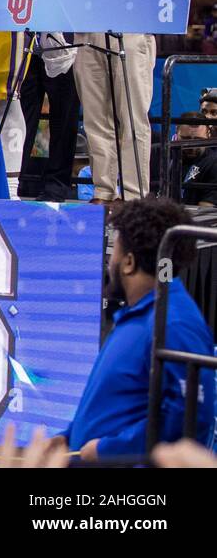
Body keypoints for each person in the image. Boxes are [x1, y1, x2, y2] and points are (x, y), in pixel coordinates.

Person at [58, 199, 214, 460]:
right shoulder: (139, 315)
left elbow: (192, 420)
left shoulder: (175, 324)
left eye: (115, 252)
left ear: (129, 262)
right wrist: (67, 438)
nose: (110, 262)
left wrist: (108, 450)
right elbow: (114, 401)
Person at [73, 32, 155, 202]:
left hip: (131, 31)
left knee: (133, 120)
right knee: (95, 121)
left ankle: (133, 196)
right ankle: (104, 192)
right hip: (86, 31)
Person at [16, 33, 80, 202]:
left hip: (63, 45)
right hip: (24, 47)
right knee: (20, 119)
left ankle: (56, 185)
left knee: (63, 120)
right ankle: (19, 179)